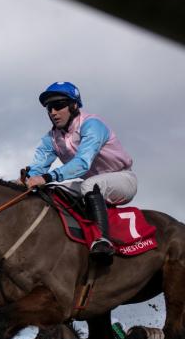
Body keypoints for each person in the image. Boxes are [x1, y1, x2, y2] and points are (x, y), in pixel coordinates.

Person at [22, 81, 136, 265]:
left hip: (123, 180)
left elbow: (82, 163)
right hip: (90, 186)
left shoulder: (92, 124)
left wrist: (46, 177)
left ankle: (103, 241)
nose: (53, 112)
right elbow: (38, 167)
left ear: (74, 105)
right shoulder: (51, 138)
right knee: (52, 191)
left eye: (59, 106)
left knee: (87, 184)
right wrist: (27, 179)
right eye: (50, 107)